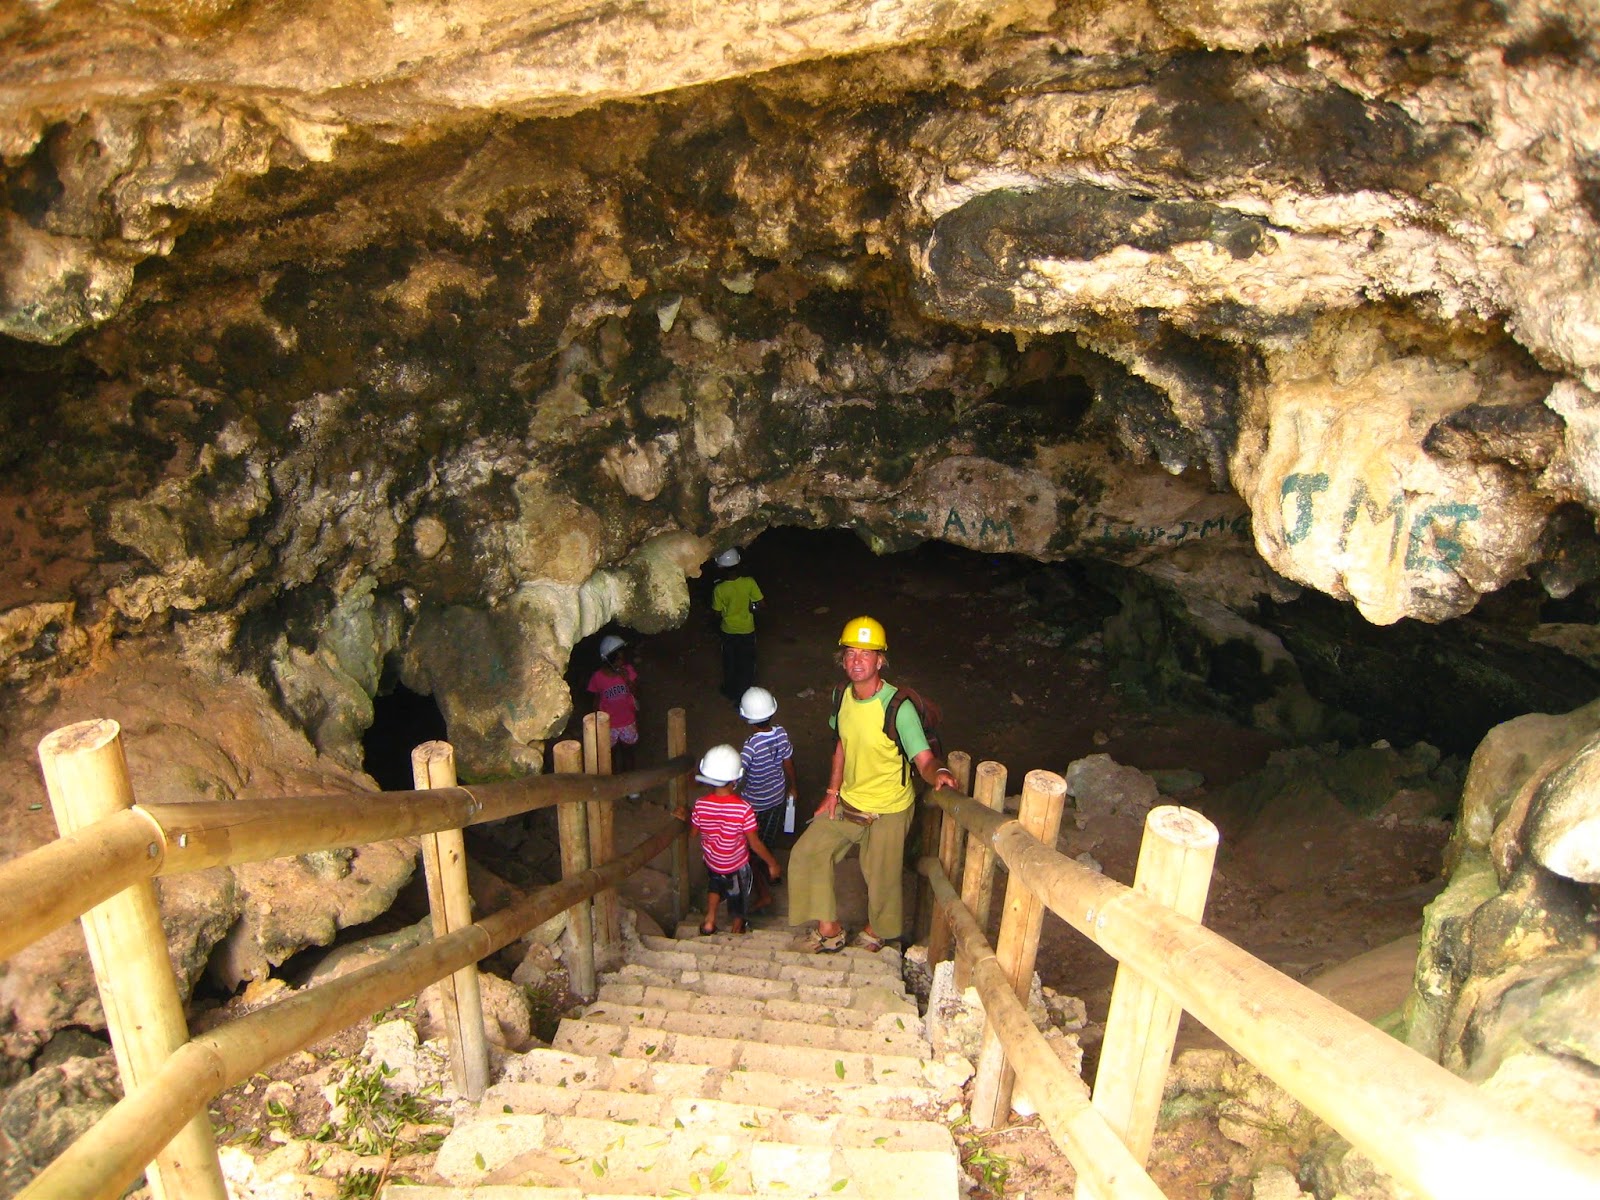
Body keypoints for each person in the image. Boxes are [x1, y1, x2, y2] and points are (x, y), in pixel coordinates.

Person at [787, 616, 958, 953]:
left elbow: (922, 758)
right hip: (849, 801)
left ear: (880, 660)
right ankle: (829, 930)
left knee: (881, 876)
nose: (856, 661)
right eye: (850, 653)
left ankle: (876, 931)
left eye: (866, 654)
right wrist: (831, 793)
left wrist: (938, 773)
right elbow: (842, 745)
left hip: (889, 807)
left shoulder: (898, 708)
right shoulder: (841, 696)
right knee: (808, 852)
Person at [680, 743, 781, 936]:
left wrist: (687, 817)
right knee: (739, 896)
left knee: (715, 885)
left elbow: (693, 834)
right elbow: (755, 843)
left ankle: (710, 920)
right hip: (737, 864)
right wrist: (772, 863)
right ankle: (737, 926)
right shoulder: (744, 809)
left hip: (712, 861)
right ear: (735, 780)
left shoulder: (700, 805)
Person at [737, 685, 797, 912]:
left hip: (754, 806)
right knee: (767, 840)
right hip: (777, 799)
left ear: (746, 718)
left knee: (751, 847)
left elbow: (738, 775)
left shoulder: (750, 747)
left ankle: (763, 891)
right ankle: (772, 872)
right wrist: (793, 787)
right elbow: (788, 762)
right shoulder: (781, 733)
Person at [711, 547, 763, 703]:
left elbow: (716, 612)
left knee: (730, 661)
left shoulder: (719, 588)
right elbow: (760, 604)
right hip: (747, 629)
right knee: (747, 661)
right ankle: (747, 692)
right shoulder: (749, 582)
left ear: (720, 568)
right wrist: (750, 607)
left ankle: (731, 691)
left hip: (728, 630)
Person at [585, 634, 640, 774]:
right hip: (609, 725)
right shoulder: (598, 677)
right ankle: (615, 782)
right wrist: (596, 721)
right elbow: (596, 699)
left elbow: (635, 691)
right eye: (618, 659)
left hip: (627, 721)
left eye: (622, 658)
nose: (622, 662)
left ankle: (631, 783)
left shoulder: (628, 671)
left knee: (629, 754)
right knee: (611, 755)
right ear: (609, 660)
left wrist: (627, 678)